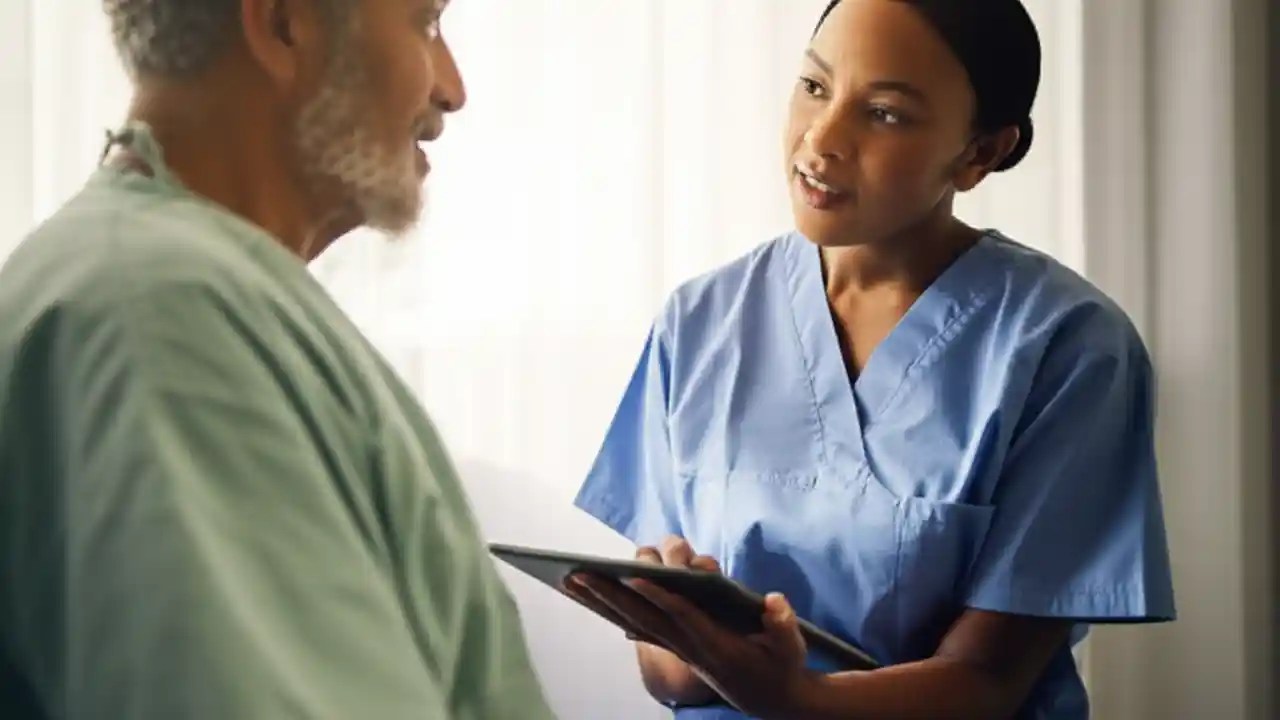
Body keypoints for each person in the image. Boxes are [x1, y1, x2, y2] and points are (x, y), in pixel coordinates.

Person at [566, 1, 1176, 718]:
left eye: (884, 112)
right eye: (815, 87)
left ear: (979, 152)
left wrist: (795, 696)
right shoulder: (700, 323)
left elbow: (986, 680)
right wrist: (680, 635)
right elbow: (667, 674)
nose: (821, 141)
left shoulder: (1068, 347)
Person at [0, 1, 555, 718]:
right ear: (285, 23)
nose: (451, 88)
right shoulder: (168, 323)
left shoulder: (193, 296)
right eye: (425, 23)